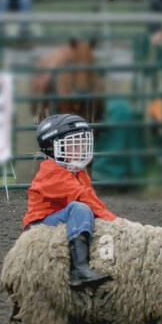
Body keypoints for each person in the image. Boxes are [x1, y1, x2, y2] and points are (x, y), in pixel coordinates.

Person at [22, 113, 114, 294]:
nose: (80, 148)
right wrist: (114, 221)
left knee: (86, 210)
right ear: (52, 147)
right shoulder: (52, 172)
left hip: (63, 217)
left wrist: (110, 218)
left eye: (82, 142)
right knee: (80, 208)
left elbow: (92, 198)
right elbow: (82, 198)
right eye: (74, 143)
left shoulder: (77, 172)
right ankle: (78, 268)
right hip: (40, 222)